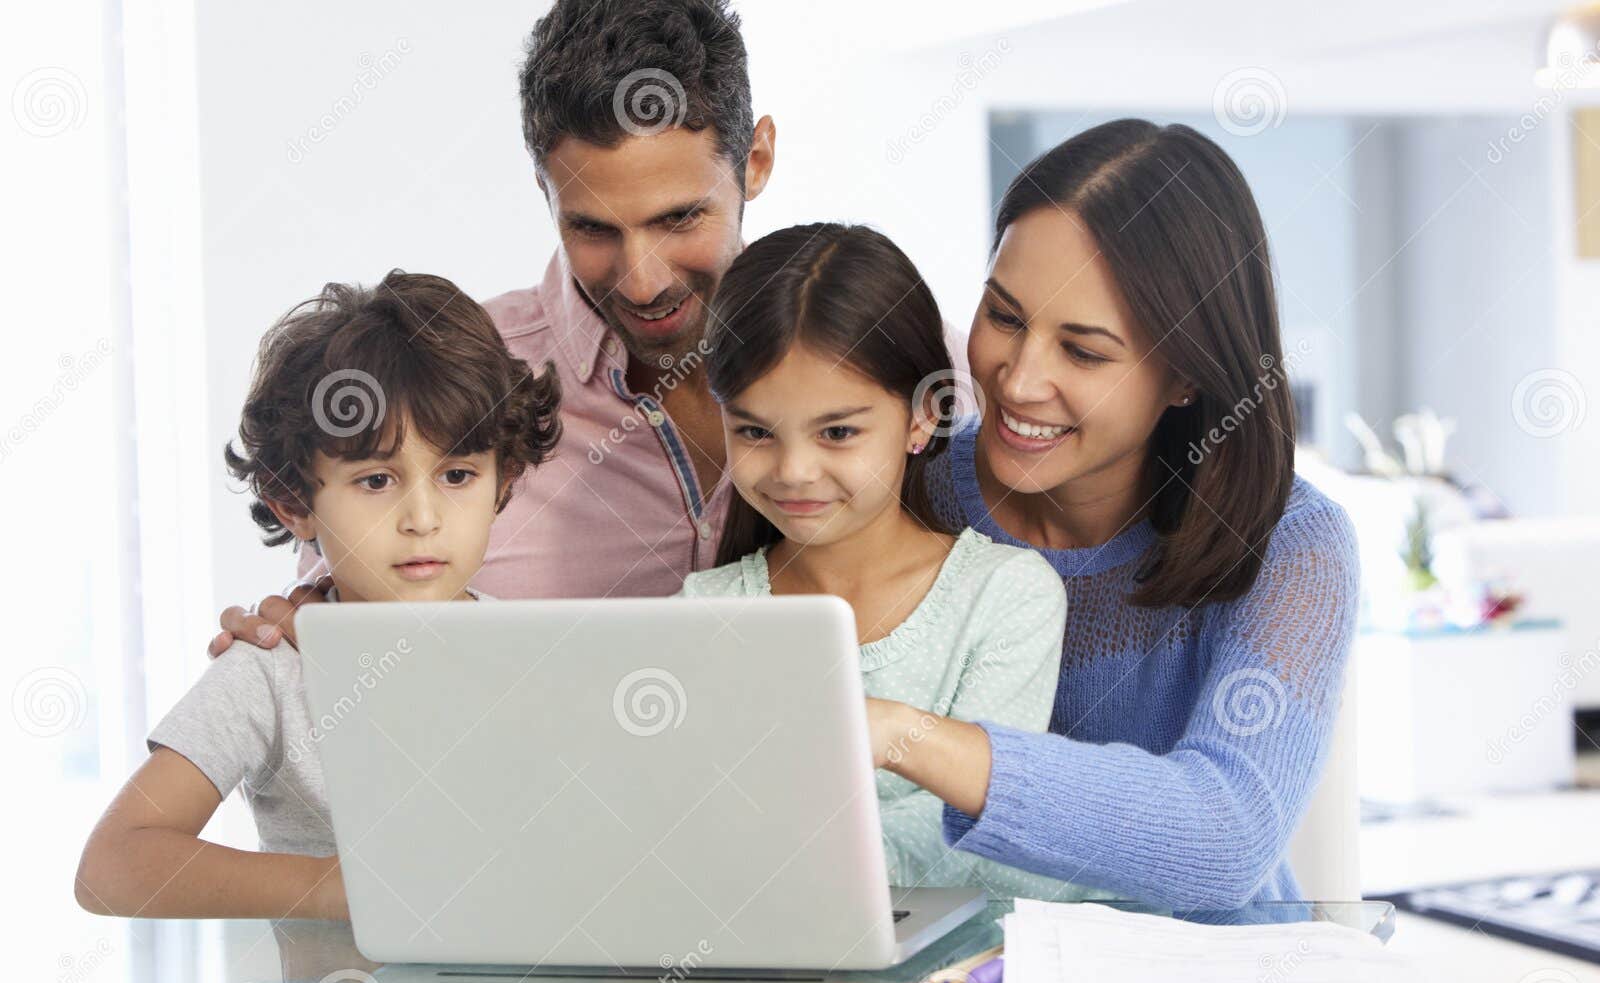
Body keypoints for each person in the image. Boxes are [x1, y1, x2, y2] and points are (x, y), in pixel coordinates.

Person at [211, 0, 965, 653]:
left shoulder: (908, 367)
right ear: (544, 189)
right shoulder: (458, 380)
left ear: (756, 159)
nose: (642, 279)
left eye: (679, 218)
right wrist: (300, 628)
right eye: (593, 228)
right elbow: (336, 609)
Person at [864, 119, 1361, 908]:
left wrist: (903, 736)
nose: (1019, 380)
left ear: (1185, 376)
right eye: (1004, 316)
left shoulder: (1291, 541)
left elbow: (1226, 834)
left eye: (1084, 351)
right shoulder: (910, 489)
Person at [75, 272, 561, 920]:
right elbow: (112, 867)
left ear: (503, 482)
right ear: (295, 503)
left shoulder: (538, 658)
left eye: (457, 474)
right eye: (377, 479)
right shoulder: (272, 668)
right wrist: (354, 889)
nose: (423, 516)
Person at [678, 223, 1094, 899]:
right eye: (754, 431)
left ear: (922, 417)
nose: (794, 470)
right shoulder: (704, 612)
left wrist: (778, 861)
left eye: (838, 431)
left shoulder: (1005, 598)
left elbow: (977, 829)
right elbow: (683, 824)